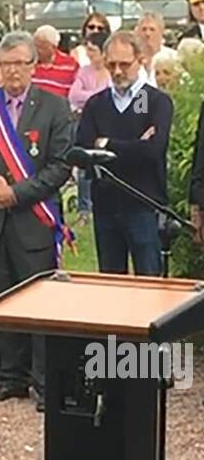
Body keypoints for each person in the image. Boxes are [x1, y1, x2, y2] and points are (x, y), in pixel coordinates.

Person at [0, 30, 71, 409]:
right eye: (5, 64)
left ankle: (43, 380)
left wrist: (18, 193)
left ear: (33, 66)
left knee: (37, 300)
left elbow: (60, 166)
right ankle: (11, 376)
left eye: (19, 64)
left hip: (31, 217)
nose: (12, 72)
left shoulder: (54, 107)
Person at [76, 30, 172, 277]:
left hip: (143, 204)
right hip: (106, 206)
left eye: (124, 64)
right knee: (111, 283)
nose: (117, 71)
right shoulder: (96, 104)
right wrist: (133, 146)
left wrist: (105, 143)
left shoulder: (154, 101)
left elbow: (153, 151)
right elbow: (83, 152)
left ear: (140, 60)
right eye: (111, 64)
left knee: (148, 281)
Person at [68, 31, 110, 218]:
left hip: (107, 123)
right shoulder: (84, 71)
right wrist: (95, 95)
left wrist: (89, 96)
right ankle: (84, 208)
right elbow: (73, 96)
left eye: (93, 50)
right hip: (85, 121)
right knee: (84, 162)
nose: (90, 54)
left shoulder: (111, 71)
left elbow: (108, 96)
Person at [31, 24, 79, 99]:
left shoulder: (70, 65)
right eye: (35, 46)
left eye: (41, 47)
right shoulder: (28, 63)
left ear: (53, 48)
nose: (37, 50)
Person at [135, 12, 177, 87]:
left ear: (161, 32)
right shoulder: (131, 60)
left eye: (152, 29)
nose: (148, 34)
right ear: (137, 33)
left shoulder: (173, 57)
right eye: (144, 29)